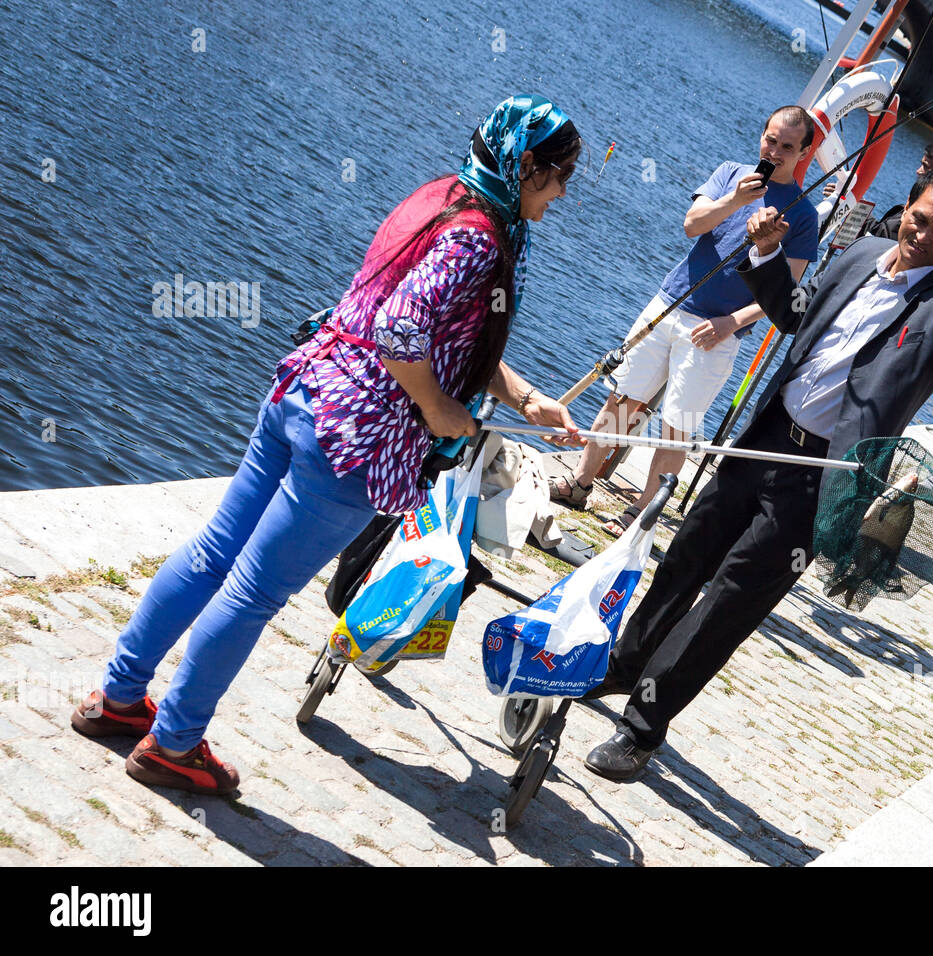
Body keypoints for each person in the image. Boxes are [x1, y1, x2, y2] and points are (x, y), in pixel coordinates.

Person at [70, 95, 584, 794]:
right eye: (559, 177)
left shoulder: (446, 196)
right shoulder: (482, 241)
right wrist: (436, 408)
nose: (560, 194)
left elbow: (441, 326)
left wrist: (523, 398)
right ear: (526, 165)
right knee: (253, 591)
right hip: (354, 440)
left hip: (304, 390)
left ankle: (119, 699)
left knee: (213, 553)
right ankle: (174, 744)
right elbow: (403, 328)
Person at [582, 170, 933, 780]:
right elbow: (793, 314)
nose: (923, 235)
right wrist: (764, 252)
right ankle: (624, 665)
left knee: (731, 599)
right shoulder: (864, 253)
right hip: (764, 440)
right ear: (910, 209)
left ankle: (642, 727)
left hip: (817, 477)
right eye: (920, 219)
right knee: (686, 555)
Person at [549, 106, 820, 535]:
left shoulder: (804, 215)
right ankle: (580, 481)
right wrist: (736, 200)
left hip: (716, 332)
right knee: (623, 400)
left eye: (788, 146)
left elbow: (789, 292)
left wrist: (732, 323)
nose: (776, 151)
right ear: (762, 136)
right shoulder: (731, 173)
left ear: (804, 152)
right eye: (771, 140)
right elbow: (692, 225)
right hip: (670, 303)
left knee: (677, 424)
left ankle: (641, 513)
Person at [823, 138, 933, 240]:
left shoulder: (925, 218)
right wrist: (851, 202)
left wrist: (853, 203)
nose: (918, 171)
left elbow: (878, 239)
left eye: (926, 167)